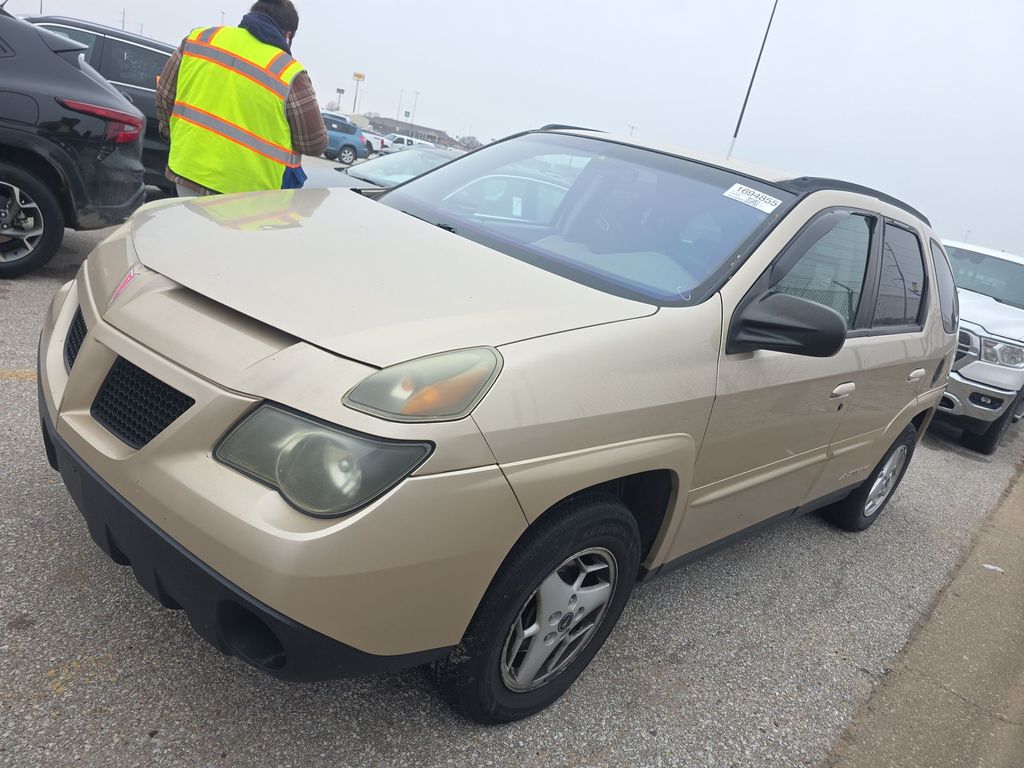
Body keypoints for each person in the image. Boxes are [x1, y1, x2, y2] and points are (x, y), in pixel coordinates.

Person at [155, 0, 327, 196]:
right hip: (247, 194)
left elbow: (164, 95)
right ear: (287, 35)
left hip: (187, 174)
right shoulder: (288, 73)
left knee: (189, 226)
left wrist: (175, 137)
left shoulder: (199, 40)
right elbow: (314, 143)